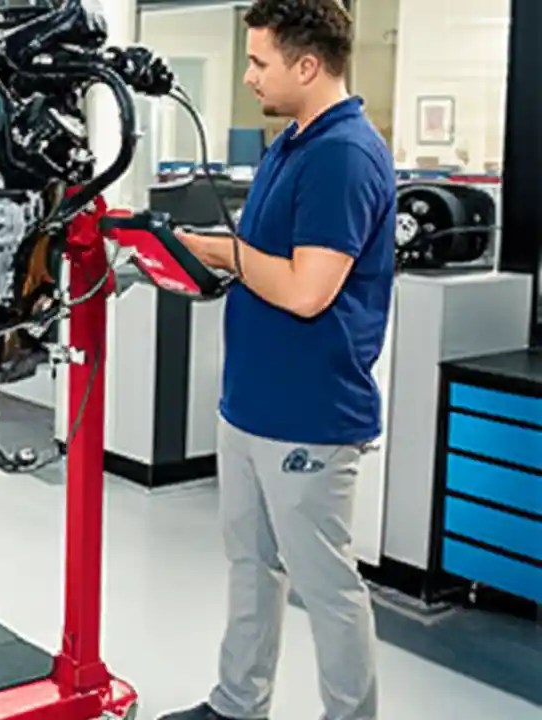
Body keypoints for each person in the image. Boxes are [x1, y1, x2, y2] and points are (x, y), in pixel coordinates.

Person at [159, 1, 395, 719]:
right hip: (250, 405)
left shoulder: (343, 155)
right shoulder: (291, 143)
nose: (250, 76)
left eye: (260, 62)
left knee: (327, 586)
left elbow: (305, 289)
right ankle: (237, 704)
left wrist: (225, 251)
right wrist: (193, 255)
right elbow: (269, 262)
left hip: (310, 417)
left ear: (308, 65)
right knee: (251, 568)